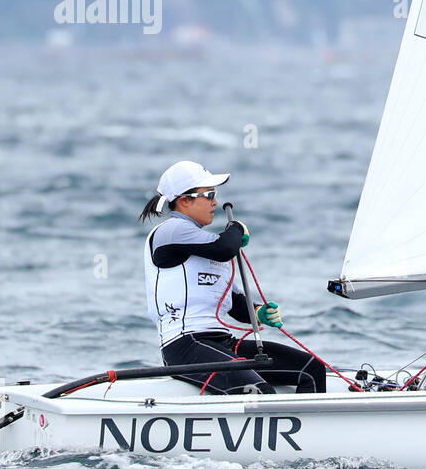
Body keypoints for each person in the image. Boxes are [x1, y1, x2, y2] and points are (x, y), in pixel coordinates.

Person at [138, 160, 326, 395]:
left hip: (221, 342)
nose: (215, 201)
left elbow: (236, 307)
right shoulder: (170, 231)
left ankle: (308, 429)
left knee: (312, 369)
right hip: (185, 346)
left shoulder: (204, 244)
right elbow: (225, 247)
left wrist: (258, 312)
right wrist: (236, 229)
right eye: (209, 194)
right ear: (184, 200)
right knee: (258, 392)